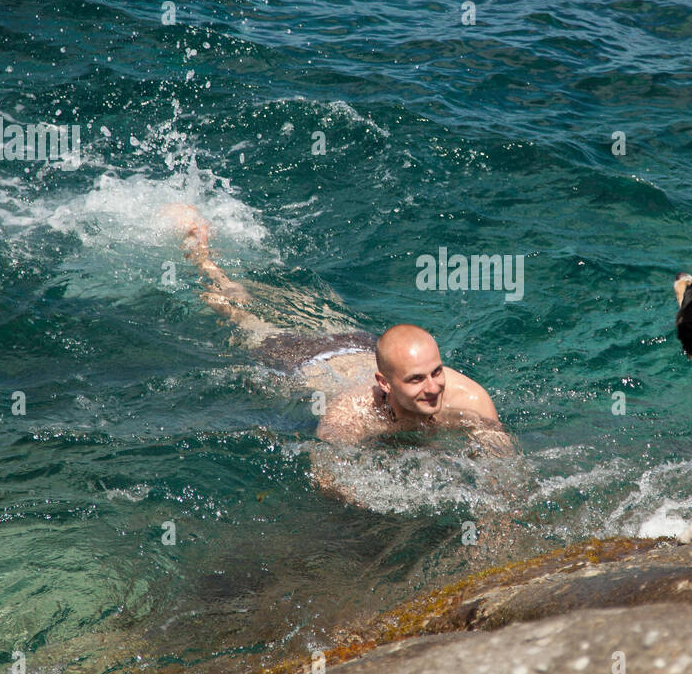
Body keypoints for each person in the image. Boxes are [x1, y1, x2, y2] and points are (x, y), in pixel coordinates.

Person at [162, 205, 515, 486]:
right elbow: (329, 476)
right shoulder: (352, 414)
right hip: (303, 360)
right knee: (243, 316)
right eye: (417, 379)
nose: (434, 387)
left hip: (359, 343)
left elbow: (504, 468)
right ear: (384, 384)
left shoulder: (469, 399)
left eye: (436, 372)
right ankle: (203, 258)